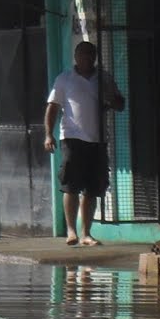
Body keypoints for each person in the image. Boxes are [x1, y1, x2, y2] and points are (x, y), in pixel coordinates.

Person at [43, 39, 125, 247]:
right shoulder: (65, 79)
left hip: (97, 140)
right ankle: (71, 231)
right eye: (83, 54)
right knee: (70, 185)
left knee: (92, 188)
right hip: (72, 138)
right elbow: (52, 108)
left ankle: (86, 233)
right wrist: (48, 134)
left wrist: (110, 97)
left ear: (95, 58)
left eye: (91, 54)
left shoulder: (103, 79)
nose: (87, 58)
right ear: (76, 57)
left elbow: (120, 104)